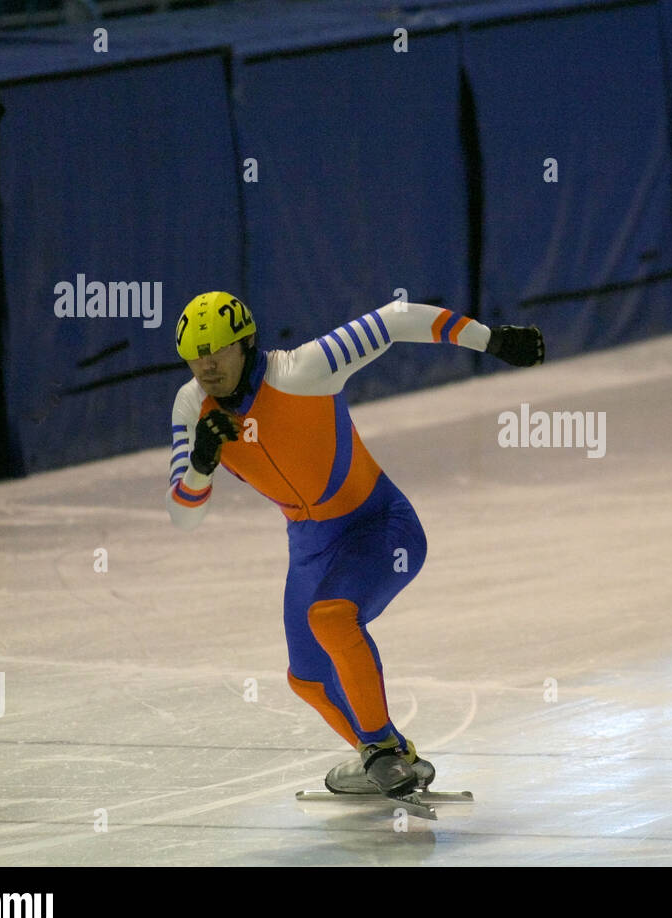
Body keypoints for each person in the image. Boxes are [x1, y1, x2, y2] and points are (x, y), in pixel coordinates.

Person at [166, 292, 543, 797]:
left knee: (331, 616)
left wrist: (491, 339)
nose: (205, 367)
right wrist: (201, 463)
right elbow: (183, 515)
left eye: (217, 352)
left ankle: (382, 752)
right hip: (310, 547)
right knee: (307, 679)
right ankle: (383, 753)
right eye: (194, 356)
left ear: (248, 342)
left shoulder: (303, 370)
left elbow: (396, 319)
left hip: (380, 525)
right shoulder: (191, 405)